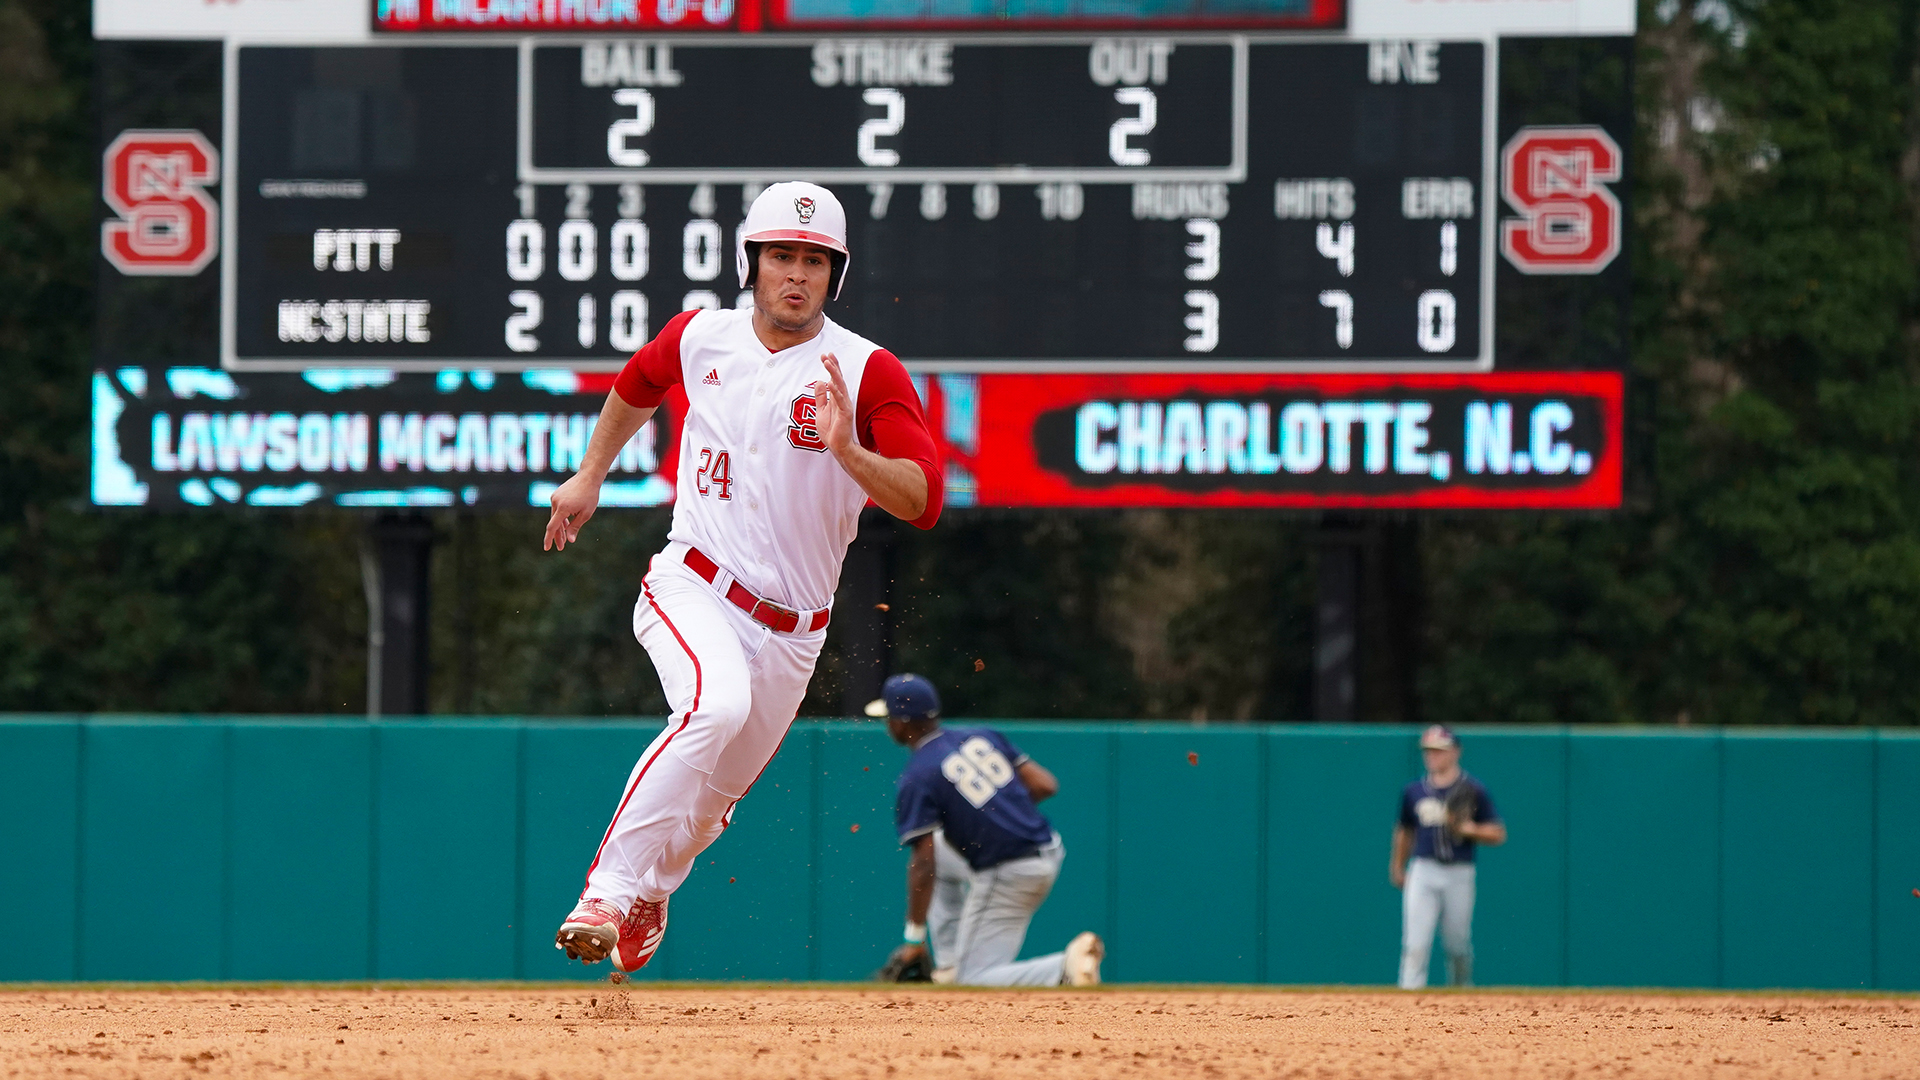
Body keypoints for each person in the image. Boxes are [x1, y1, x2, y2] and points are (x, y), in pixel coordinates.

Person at [544, 182, 943, 972]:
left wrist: (850, 454)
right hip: (691, 582)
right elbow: (638, 382)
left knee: (709, 809)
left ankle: (653, 893)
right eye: (781, 256)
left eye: (814, 260)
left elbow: (925, 499)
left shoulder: (865, 371)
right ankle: (607, 891)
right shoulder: (702, 336)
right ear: (751, 263)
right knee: (713, 704)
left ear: (836, 274)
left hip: (795, 631)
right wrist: (591, 474)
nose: (796, 273)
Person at [873, 673, 1104, 986]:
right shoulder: (980, 735)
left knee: (975, 980)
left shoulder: (918, 775)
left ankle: (1063, 968)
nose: (887, 724)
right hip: (1048, 847)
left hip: (1010, 870)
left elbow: (922, 863)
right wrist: (1000, 813)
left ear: (901, 722)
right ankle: (949, 965)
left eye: (888, 717)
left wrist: (914, 940)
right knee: (940, 850)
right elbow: (1045, 784)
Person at [1389, 724, 1505, 989]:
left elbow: (1498, 833)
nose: (1433, 756)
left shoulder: (1473, 789)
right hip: (1423, 869)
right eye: (1429, 750)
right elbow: (1404, 831)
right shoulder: (1413, 791)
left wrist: (1470, 829)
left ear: (1455, 752)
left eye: (1439, 750)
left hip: (1459, 871)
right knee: (1415, 944)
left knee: (1457, 944)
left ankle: (1461, 995)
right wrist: (1397, 866)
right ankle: (1407, 1005)